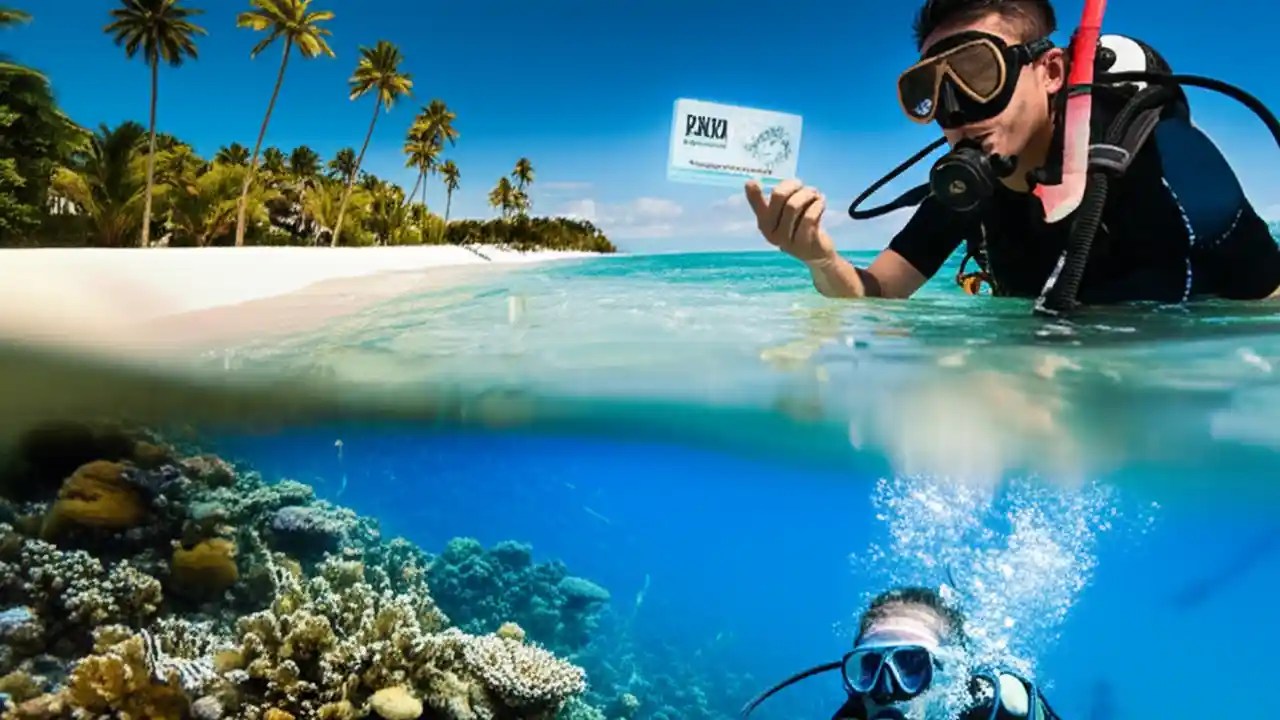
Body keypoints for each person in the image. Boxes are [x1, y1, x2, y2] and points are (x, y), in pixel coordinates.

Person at [744, 0, 1280, 306]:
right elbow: (878, 292)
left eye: (979, 74)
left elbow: (1268, 304)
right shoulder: (965, 190)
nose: (955, 110)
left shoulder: (1169, 164)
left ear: (1050, 72)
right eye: (930, 91)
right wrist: (822, 261)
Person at [740, 585, 1062, 720]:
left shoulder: (1001, 712)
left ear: (953, 674)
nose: (886, 690)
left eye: (910, 664)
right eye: (869, 667)